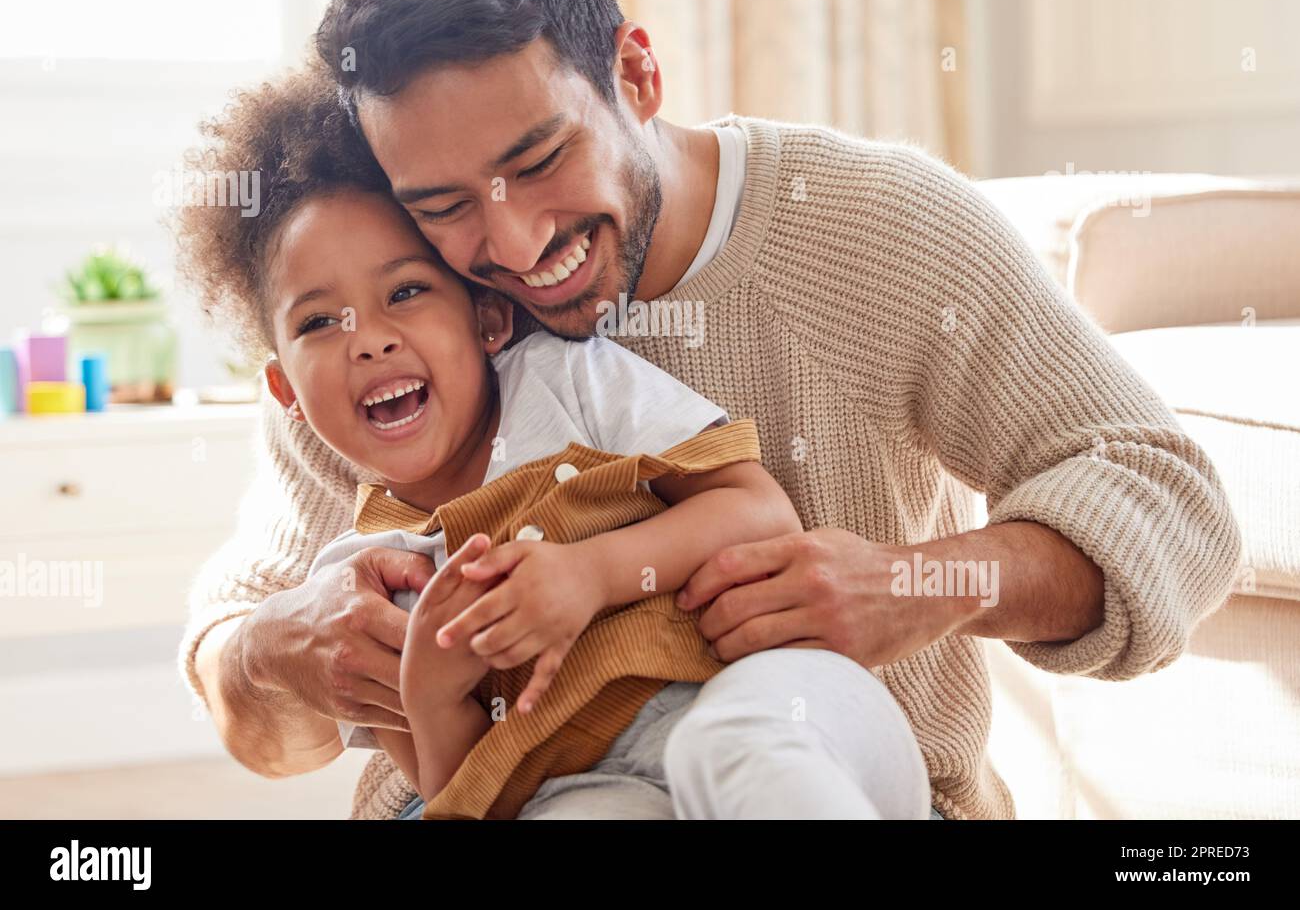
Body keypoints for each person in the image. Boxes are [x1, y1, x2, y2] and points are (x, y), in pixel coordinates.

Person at [179, 0, 1242, 821]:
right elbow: (247, 680)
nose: (508, 248)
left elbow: (1173, 501)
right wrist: (278, 648)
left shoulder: (877, 225)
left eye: (540, 158)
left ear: (635, 74)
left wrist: (918, 584)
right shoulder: (384, 302)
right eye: (444, 202)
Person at [171, 67, 932, 820]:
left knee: (732, 753)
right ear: (286, 397)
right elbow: (462, 795)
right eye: (318, 322)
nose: (367, 341)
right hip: (588, 789)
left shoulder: (572, 382)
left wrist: (590, 574)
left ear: (488, 319)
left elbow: (759, 513)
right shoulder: (360, 587)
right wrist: (430, 693)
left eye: (405, 292)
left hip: (772, 706)